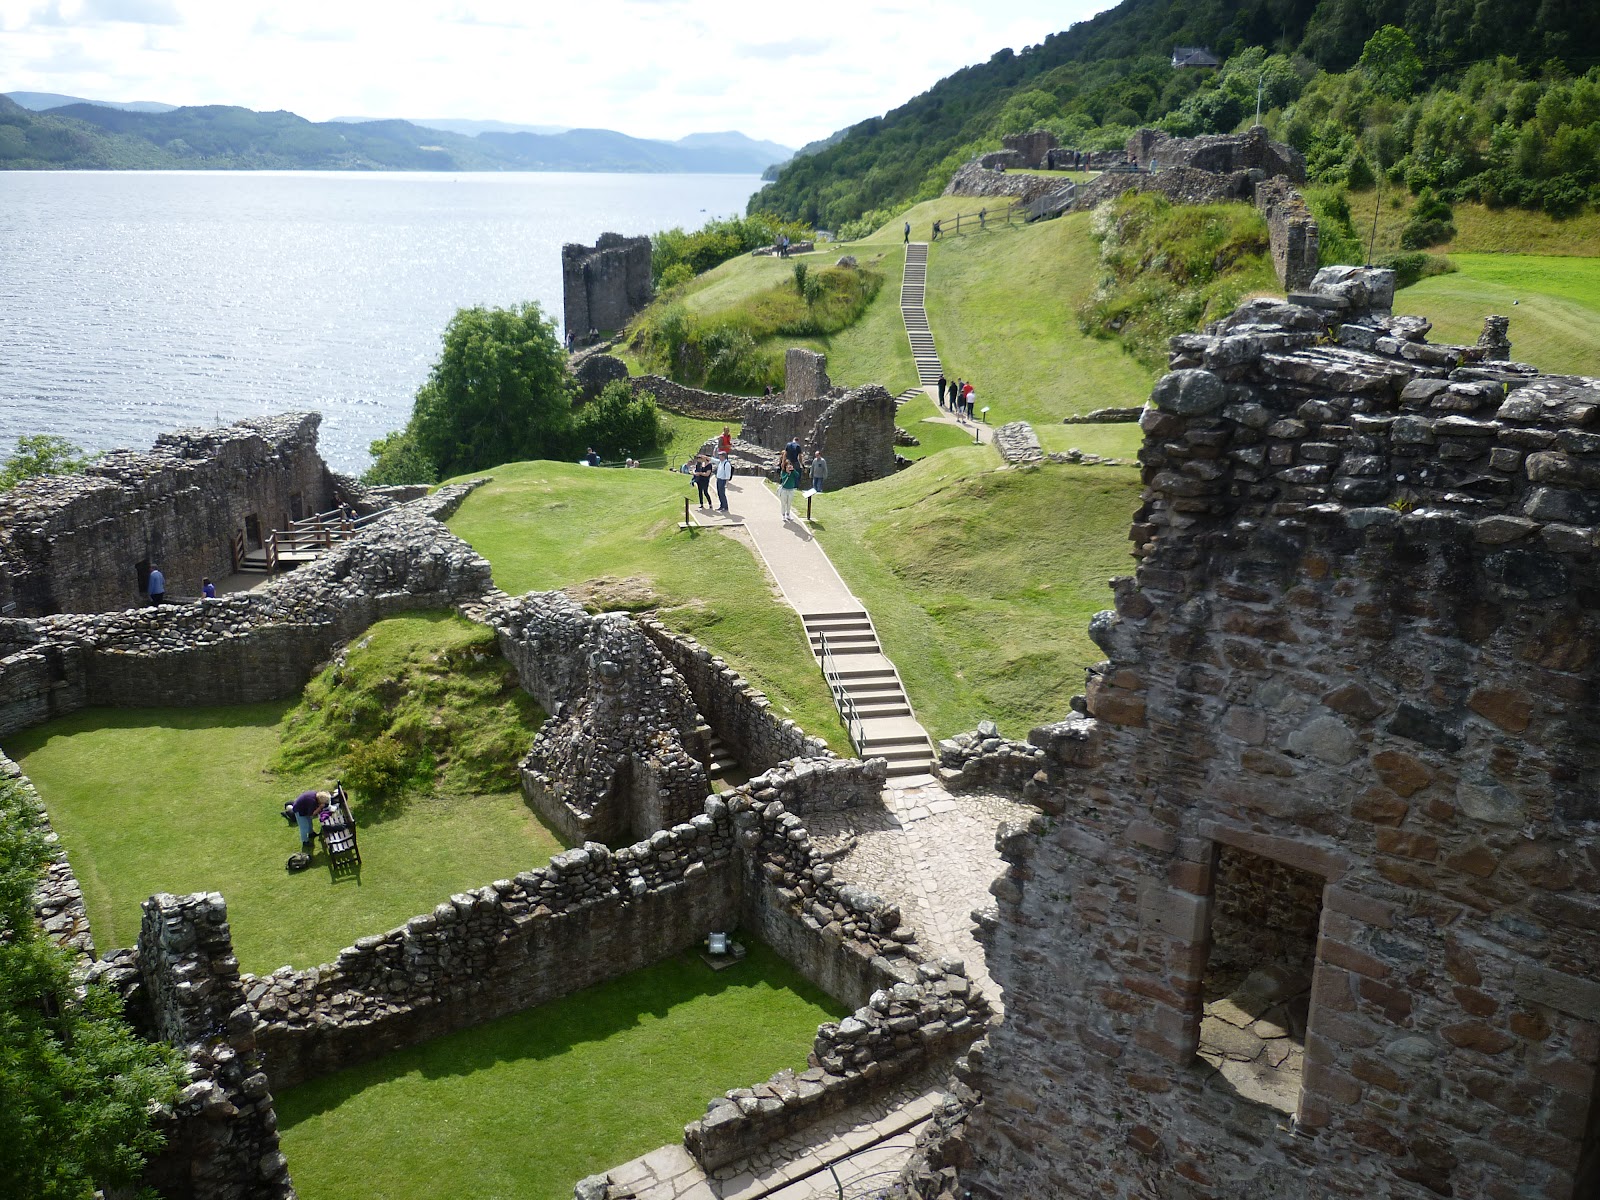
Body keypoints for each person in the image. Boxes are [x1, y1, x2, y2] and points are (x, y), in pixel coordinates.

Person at [289, 789, 329, 854]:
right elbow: (311, 814)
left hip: (304, 807)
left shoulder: (316, 795)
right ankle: (305, 841)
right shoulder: (312, 802)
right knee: (304, 827)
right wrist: (320, 808)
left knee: (309, 822)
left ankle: (311, 833)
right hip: (299, 810)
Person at [776, 456, 802, 521]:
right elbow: (783, 478)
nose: (789, 467)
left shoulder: (793, 472)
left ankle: (788, 514)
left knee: (789, 503)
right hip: (784, 490)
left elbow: (797, 475)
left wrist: (793, 470)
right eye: (787, 466)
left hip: (791, 490)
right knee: (783, 503)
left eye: (790, 465)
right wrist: (788, 473)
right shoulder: (783, 472)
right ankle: (783, 515)